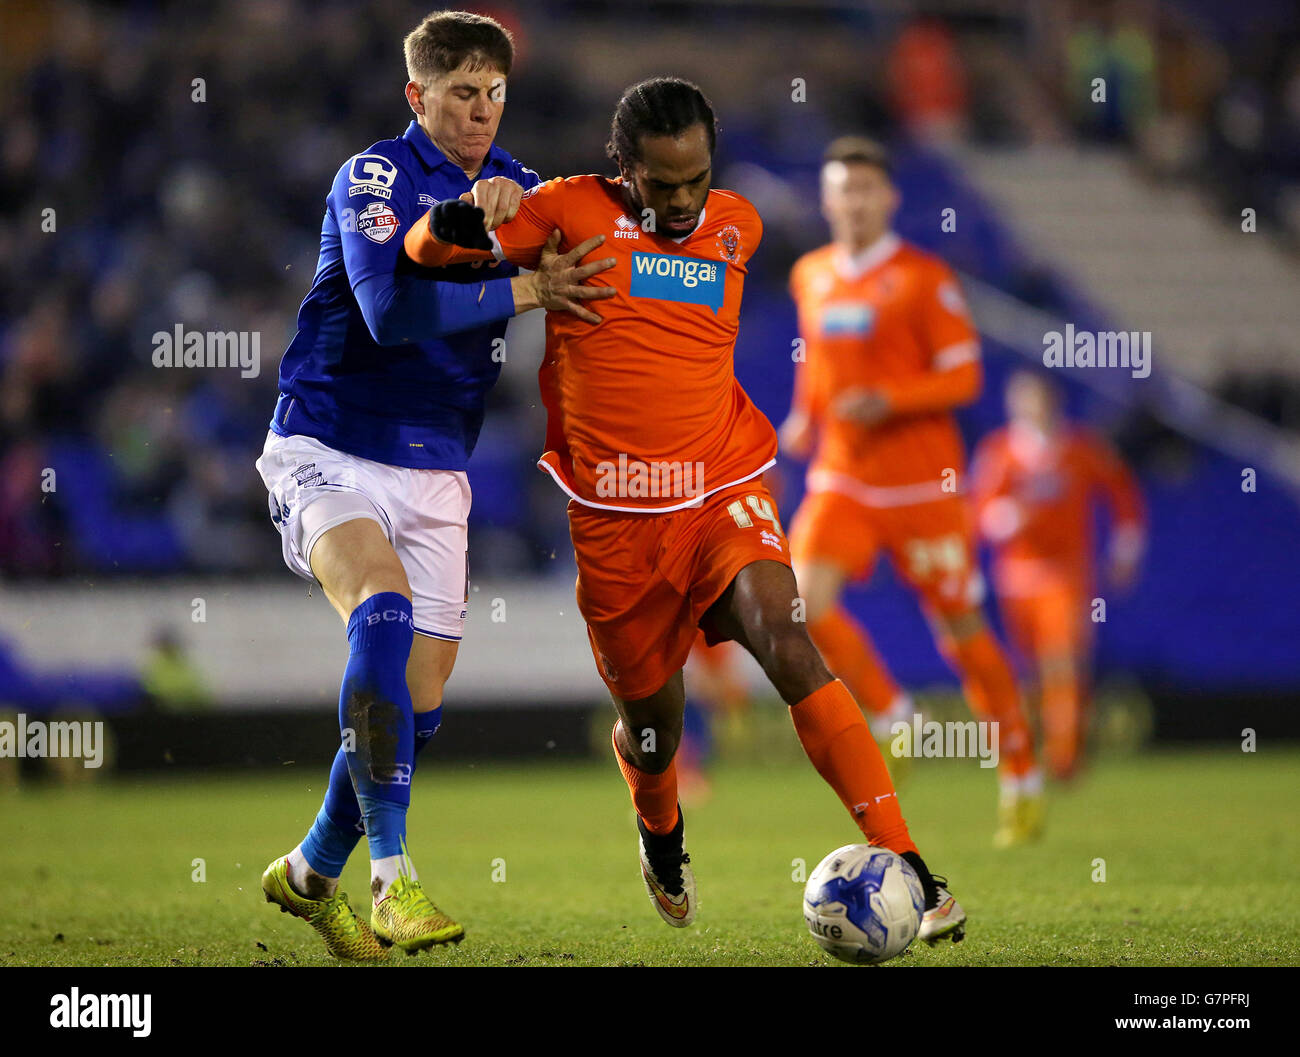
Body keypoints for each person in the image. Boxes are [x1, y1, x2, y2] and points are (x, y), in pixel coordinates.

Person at [405, 78, 965, 944]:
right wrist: (462, 215)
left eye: (693, 180)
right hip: (617, 521)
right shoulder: (563, 211)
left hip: (722, 488)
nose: (679, 201)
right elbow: (426, 257)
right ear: (620, 166)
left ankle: (912, 867)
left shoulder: (739, 225)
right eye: (659, 184)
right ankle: (661, 830)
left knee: (787, 638)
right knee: (654, 732)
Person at [255, 10, 615, 960]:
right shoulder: (373, 175)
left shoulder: (525, 189)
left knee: (415, 708)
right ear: (417, 96)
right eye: (461, 93)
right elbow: (387, 311)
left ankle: (308, 873)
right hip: (328, 444)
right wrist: (526, 287)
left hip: (436, 468)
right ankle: (393, 880)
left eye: (495, 93)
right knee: (381, 608)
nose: (482, 112)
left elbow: (596, 262)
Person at [778, 136, 1044, 848]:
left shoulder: (926, 279)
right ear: (828, 200)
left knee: (960, 632)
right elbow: (818, 362)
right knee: (802, 600)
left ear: (888, 198)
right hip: (843, 476)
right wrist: (806, 414)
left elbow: (963, 378)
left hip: (924, 485)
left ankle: (1020, 774)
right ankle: (899, 718)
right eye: (843, 190)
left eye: (867, 190)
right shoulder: (811, 274)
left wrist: (889, 398)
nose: (855, 203)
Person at [970, 370, 1145, 780]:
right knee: (1027, 668)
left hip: (1065, 573)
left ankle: (1065, 756)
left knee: (1062, 660)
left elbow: (1122, 495)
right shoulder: (999, 452)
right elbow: (981, 514)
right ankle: (1023, 751)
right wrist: (1011, 518)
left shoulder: (1081, 448)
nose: (1031, 406)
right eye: (1023, 398)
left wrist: (1125, 548)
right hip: (1014, 575)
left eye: (1037, 398)